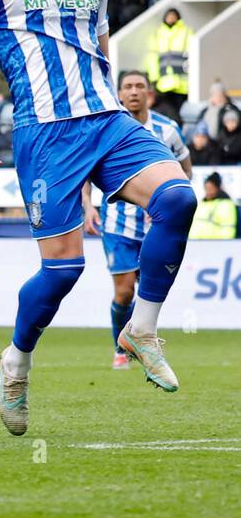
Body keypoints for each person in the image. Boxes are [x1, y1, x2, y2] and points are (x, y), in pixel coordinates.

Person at [0, 0, 196, 436]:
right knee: (63, 272)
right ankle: (17, 359)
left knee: (179, 201)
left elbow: (101, 49)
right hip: (45, 132)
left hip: (106, 120)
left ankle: (141, 327)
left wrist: (109, 122)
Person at [83, 70, 191, 370]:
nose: (133, 91)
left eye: (139, 86)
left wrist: (166, 197)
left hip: (155, 225)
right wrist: (89, 207)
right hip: (117, 223)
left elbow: (185, 168)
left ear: (149, 93)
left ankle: (141, 338)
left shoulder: (167, 129)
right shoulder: (105, 128)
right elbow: (87, 168)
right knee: (124, 291)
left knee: (148, 288)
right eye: (127, 86)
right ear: (118, 93)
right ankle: (119, 345)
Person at [188, 172, 238, 239]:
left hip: (214, 245)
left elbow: (228, 231)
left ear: (217, 188)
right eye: (206, 189)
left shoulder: (226, 205)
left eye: (210, 188)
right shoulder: (202, 203)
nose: (208, 192)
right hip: (195, 243)